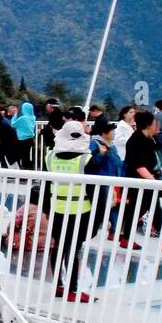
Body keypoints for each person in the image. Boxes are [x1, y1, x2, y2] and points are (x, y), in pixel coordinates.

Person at [44, 121, 98, 303]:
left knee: (58, 246)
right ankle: (73, 290)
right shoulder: (87, 160)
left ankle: (59, 286)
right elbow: (94, 191)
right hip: (80, 211)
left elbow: (45, 186)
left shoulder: (50, 157)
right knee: (74, 250)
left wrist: (46, 209)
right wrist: (98, 216)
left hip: (56, 209)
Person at [117, 110, 162, 248]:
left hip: (146, 180)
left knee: (152, 208)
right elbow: (138, 165)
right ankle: (126, 238)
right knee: (138, 209)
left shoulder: (148, 139)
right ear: (149, 124)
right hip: (139, 181)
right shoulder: (137, 140)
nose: (158, 125)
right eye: (155, 122)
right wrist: (153, 181)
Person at [12, 100, 37, 169]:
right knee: (26, 156)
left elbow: (13, 124)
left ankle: (26, 172)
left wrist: (15, 115)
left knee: (22, 157)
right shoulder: (33, 117)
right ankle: (30, 170)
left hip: (22, 140)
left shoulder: (23, 118)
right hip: (30, 140)